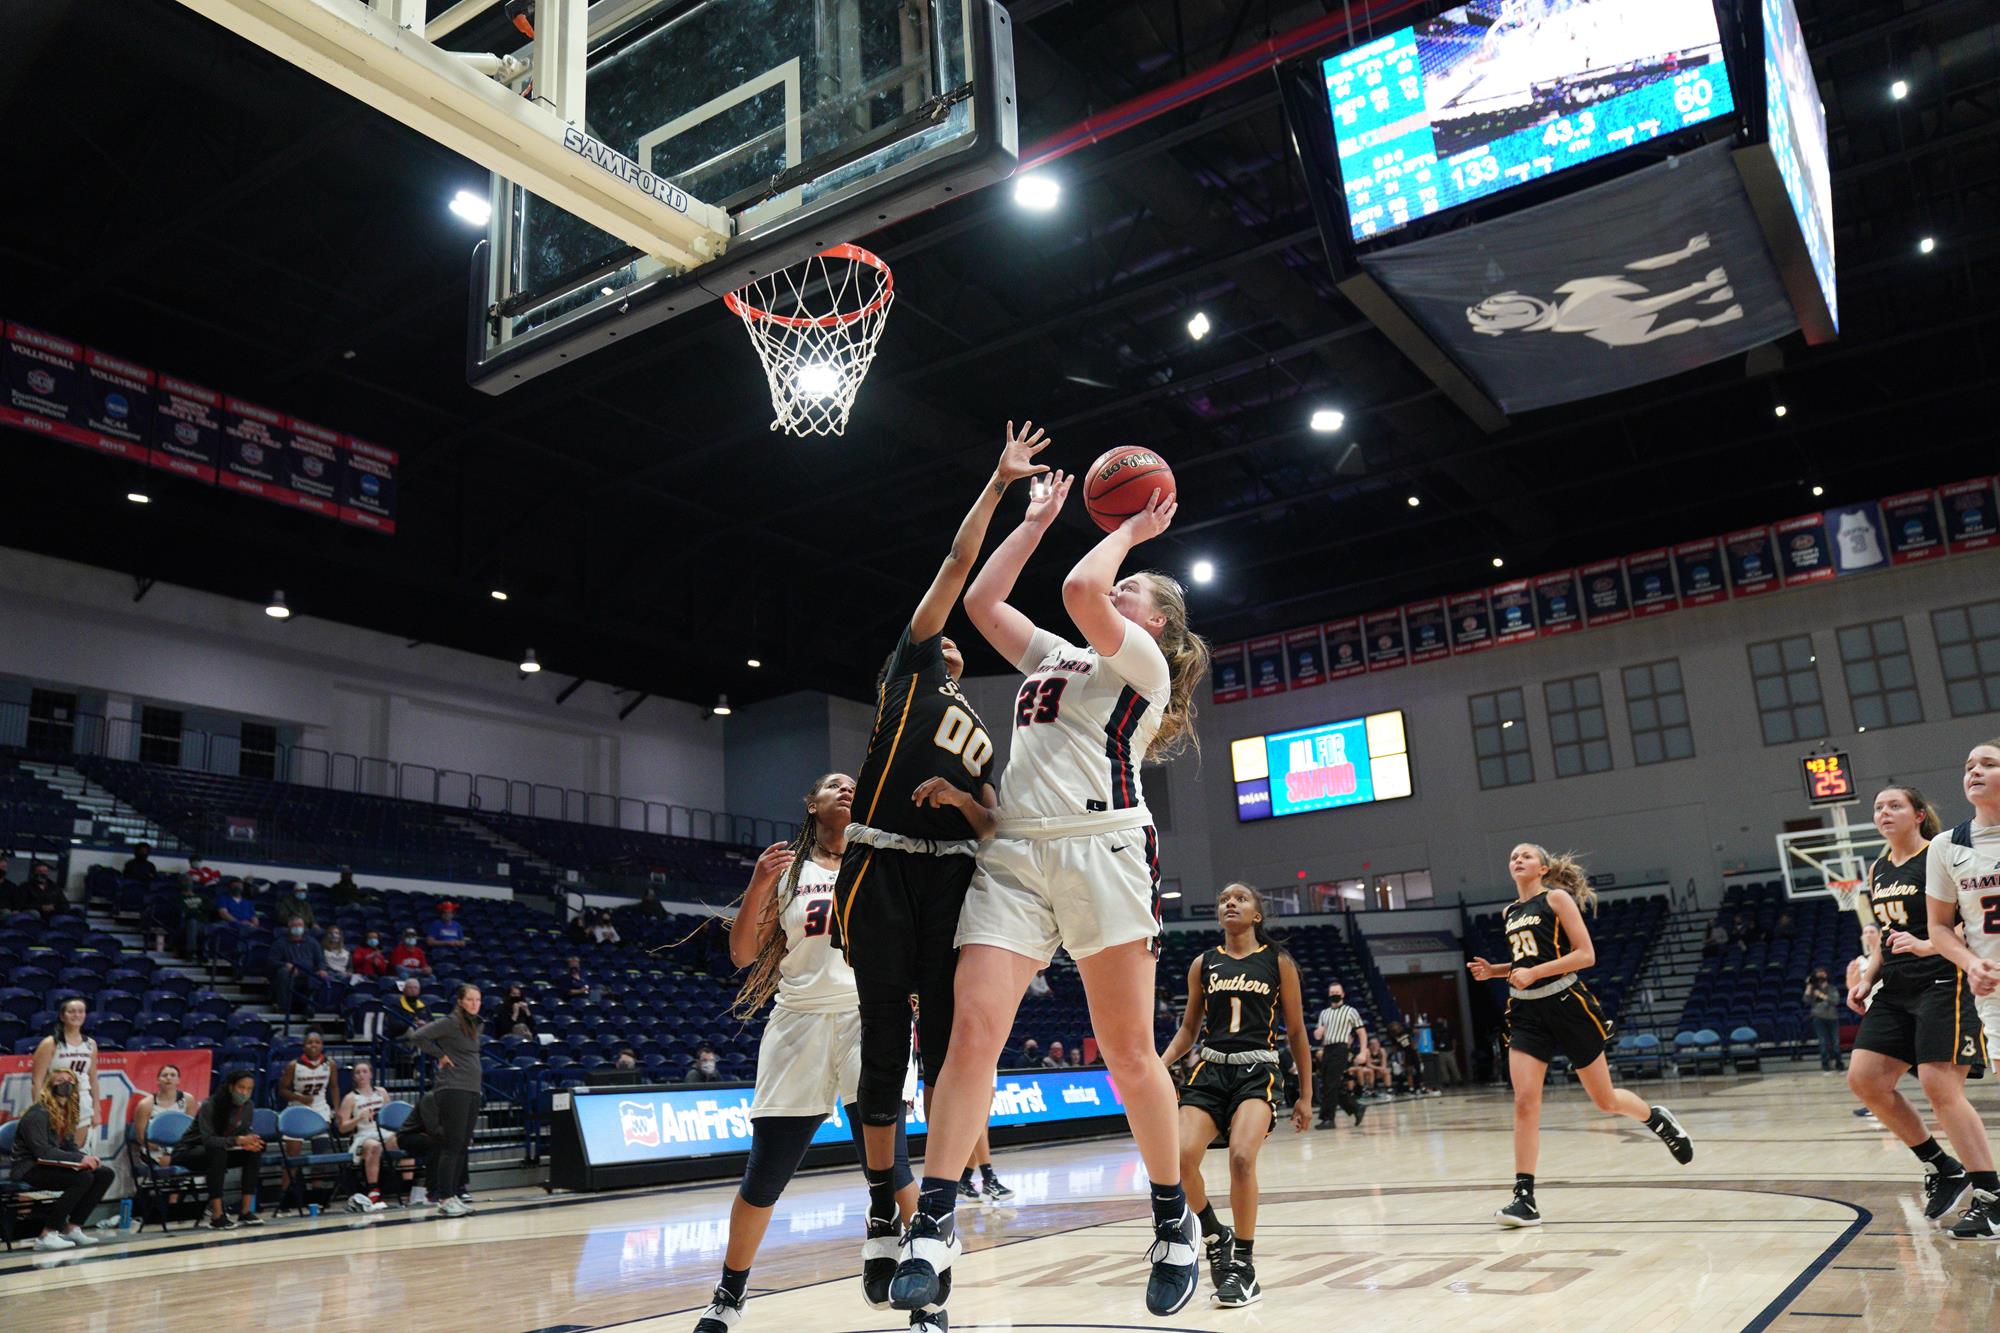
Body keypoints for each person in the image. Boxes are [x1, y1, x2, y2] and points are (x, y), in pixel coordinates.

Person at [897, 471, 1211, 1321]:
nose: (1117, 584)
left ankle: (1172, 1216)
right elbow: (987, 600)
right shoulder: (1056, 655)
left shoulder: (1140, 661)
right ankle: (933, 1221)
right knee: (970, 1032)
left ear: (1156, 621)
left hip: (1104, 848)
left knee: (1129, 1055)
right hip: (1018, 854)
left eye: (1134, 587)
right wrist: (1035, 519)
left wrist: (1135, 531)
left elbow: (1080, 589)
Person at [835, 426, 1046, 1332]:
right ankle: (885, 1202)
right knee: (883, 1043)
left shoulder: (982, 731)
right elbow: (959, 561)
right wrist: (998, 486)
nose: (957, 640)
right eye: (949, 633)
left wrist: (963, 803)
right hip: (881, 863)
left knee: (949, 1055)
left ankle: (931, 1230)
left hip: (956, 877)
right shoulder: (909, 665)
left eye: (964, 644)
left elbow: (998, 821)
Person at [690, 773, 919, 1333]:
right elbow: (742, 954)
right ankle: (729, 1295)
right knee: (764, 1173)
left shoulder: (884, 862)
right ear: (811, 804)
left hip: (872, 1017)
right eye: (833, 785)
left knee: (890, 1166)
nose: (846, 789)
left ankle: (926, 1301)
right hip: (798, 1024)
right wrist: (755, 887)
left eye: (853, 785)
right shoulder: (789, 870)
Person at [1468, 844, 1692, 1227]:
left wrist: (1535, 974)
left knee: (1604, 1101)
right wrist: (1497, 971)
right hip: (1526, 1011)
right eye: (1511, 857)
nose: (1516, 860)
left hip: (1566, 1004)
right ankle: (1525, 1198)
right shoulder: (1510, 912)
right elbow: (1527, 962)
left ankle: (1656, 1119)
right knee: (1524, 1102)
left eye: (1525, 855)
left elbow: (1585, 955)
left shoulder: (1556, 899)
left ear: (1542, 867)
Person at [1846, 783, 1996, 1234]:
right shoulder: (1876, 868)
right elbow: (1887, 937)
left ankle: (1991, 1194)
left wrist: (1927, 946)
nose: (1884, 812)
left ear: (1917, 814)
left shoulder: (1942, 853)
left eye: (1895, 805)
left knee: (1938, 1086)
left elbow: (1970, 926)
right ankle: (1940, 1165)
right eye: (1878, 807)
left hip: (1942, 979)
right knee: (1866, 1080)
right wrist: (1868, 977)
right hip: (1895, 985)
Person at [1158, 883, 1311, 1308]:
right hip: (1209, 1072)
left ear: (1257, 915)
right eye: (1224, 898)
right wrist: (1161, 1062)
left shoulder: (1278, 963)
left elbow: (1296, 1031)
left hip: (1258, 1070)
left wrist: (1306, 1095)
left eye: (1241, 898)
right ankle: (1213, 1232)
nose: (1230, 902)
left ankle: (1243, 1264)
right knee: (1179, 1159)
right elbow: (1189, 1029)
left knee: (1242, 1158)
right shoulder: (1202, 963)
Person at [1900, 745, 2000, 1238]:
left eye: (1988, 764)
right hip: (1993, 988)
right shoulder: (1948, 846)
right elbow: (1939, 928)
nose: (1975, 772)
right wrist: (1970, 961)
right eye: (1967, 767)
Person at [9, 1064, 114, 1250]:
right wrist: (80, 1161)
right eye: (60, 1081)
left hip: (49, 1165)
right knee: (82, 1178)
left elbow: (69, 1146)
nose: (65, 1084)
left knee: (104, 1173)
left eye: (69, 1081)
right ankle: (46, 1235)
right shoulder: (38, 1113)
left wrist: (86, 1158)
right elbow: (42, 1151)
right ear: (49, 1085)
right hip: (28, 1168)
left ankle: (73, 1228)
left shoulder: (66, 1114)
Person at [404, 983, 484, 1217]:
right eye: (470, 1000)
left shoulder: (475, 1024)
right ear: (460, 1001)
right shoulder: (451, 1022)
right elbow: (419, 1036)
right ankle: (445, 1197)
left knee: (462, 1145)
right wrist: (441, 1055)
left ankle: (455, 1194)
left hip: (472, 1088)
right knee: (452, 1144)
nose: (474, 1004)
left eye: (478, 1000)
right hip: (453, 1088)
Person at [182, 1068, 267, 1229]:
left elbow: (243, 1132)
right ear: (230, 1087)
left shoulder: (248, 1106)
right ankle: (217, 1216)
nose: (245, 1092)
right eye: (241, 1087)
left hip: (221, 1150)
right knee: (217, 1153)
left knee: (254, 1153)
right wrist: (238, 1140)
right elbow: (208, 1141)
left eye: (249, 1089)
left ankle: (246, 1212)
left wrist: (251, 1142)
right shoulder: (210, 1105)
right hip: (190, 1152)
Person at [32, 996, 100, 1149]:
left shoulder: (91, 1044)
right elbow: (37, 1081)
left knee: (80, 1151)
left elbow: (93, 1079)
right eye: (72, 1011)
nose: (77, 1015)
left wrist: (97, 1108)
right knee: (57, 1151)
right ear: (62, 1016)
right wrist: (38, 1112)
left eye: (81, 1011)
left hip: (83, 1099)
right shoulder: (50, 1043)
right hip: (56, 1100)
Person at [336, 1060, 394, 1212]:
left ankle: (412, 1192)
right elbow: (342, 1128)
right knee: (373, 1146)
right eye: (357, 1072)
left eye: (364, 1071)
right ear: (354, 1077)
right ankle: (373, 1191)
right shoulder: (350, 1098)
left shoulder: (382, 1093)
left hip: (383, 1133)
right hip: (362, 1137)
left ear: (371, 1074)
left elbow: (390, 1117)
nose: (361, 1075)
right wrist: (358, 1118)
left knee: (404, 1139)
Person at [1312, 982, 1366, 1127]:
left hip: (1341, 1048)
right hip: (1327, 1049)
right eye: (1331, 993)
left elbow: (1361, 1032)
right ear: (1328, 995)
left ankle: (1328, 1119)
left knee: (1331, 1083)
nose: (1334, 995)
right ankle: (1356, 1107)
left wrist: (1362, 1052)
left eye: (1337, 992)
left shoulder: (1350, 1011)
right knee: (1330, 1084)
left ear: (1343, 994)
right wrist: (1318, 1033)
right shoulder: (1324, 1013)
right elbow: (1318, 1035)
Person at [132, 1061, 200, 1164]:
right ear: (158, 1080)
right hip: (154, 1151)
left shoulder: (188, 1100)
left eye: (173, 1075)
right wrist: (163, 1150)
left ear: (178, 1080)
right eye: (164, 1075)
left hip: (180, 1149)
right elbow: (141, 1138)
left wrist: (179, 1149)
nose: (169, 1078)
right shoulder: (145, 1104)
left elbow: (191, 1130)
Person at [270, 916, 330, 1026]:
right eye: (295, 926)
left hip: (308, 975)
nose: (298, 928)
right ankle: (283, 1007)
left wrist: (322, 969)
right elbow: (272, 961)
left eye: (300, 925)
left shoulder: (312, 942)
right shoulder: (280, 943)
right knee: (283, 973)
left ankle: (312, 1007)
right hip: (291, 975)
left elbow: (320, 960)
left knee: (323, 976)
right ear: (289, 927)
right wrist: (285, 965)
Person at [1803, 968, 1842, 1072]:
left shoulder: (1832, 988)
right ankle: (1826, 1066)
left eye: (1822, 976)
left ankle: (1839, 1064)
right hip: (1818, 1018)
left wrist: (1822, 995)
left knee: (1836, 1043)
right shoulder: (1813, 989)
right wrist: (1809, 985)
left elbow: (1836, 1001)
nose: (1821, 978)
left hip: (1832, 1018)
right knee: (1823, 1042)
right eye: (1818, 976)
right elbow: (1806, 1000)